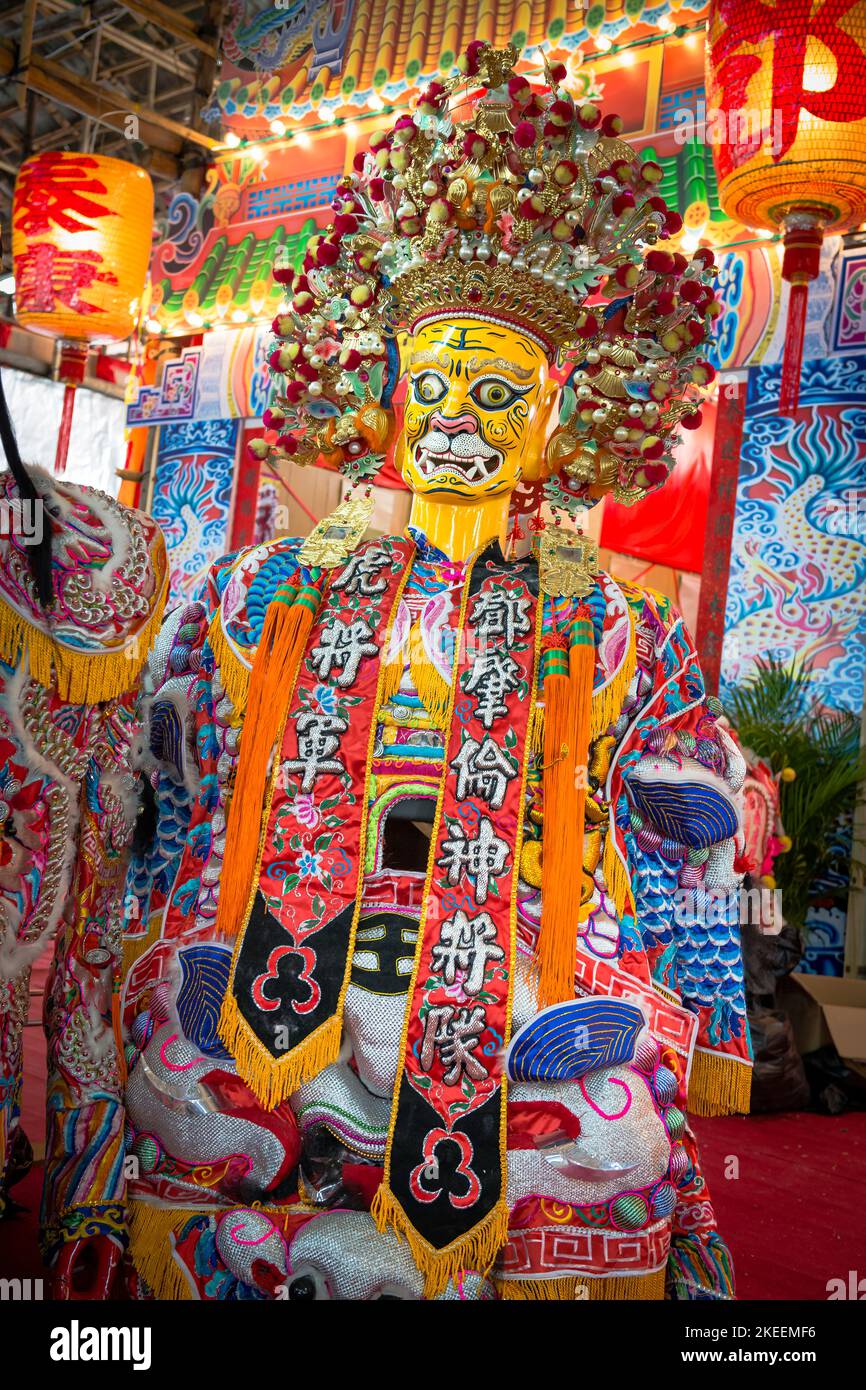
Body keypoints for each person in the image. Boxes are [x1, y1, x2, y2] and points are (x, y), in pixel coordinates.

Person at [111, 44, 750, 1301]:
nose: (458, 413)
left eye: (499, 390)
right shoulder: (266, 591)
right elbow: (172, 781)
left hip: (511, 940)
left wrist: (699, 812)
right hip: (294, 941)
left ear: (557, 417)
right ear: (386, 394)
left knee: (607, 1128)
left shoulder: (605, 625)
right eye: (435, 381)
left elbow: (689, 812)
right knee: (186, 1072)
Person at [0, 373, 167, 1296]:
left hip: (28, 794)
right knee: (84, 989)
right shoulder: (122, 539)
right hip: (99, 787)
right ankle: (91, 1209)